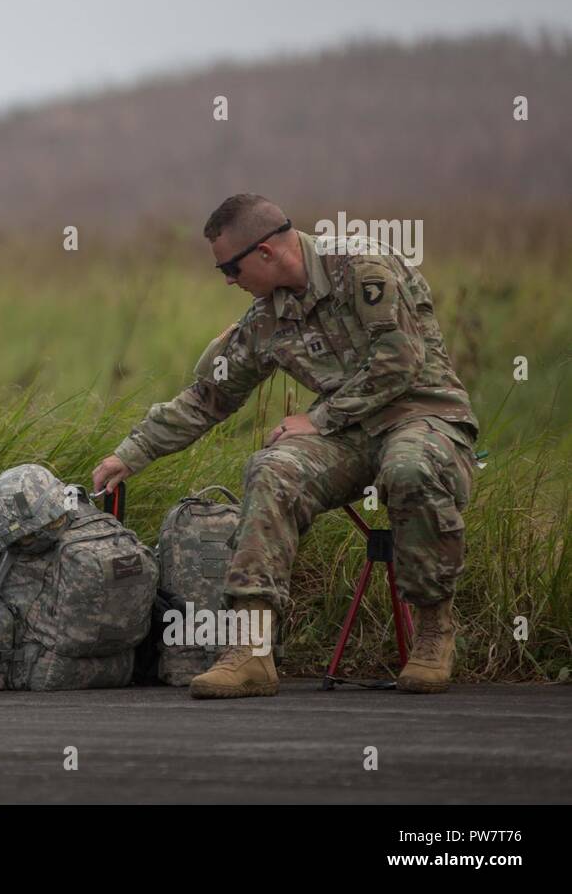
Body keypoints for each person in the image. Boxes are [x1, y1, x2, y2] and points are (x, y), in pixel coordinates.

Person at [91, 194, 478, 698]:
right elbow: (210, 396)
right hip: (346, 439)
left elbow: (399, 361)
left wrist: (319, 417)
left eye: (231, 266)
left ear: (267, 253)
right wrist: (130, 453)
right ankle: (251, 652)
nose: (229, 279)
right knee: (271, 469)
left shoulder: (362, 268)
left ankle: (433, 635)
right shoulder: (265, 319)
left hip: (424, 416)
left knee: (408, 468)